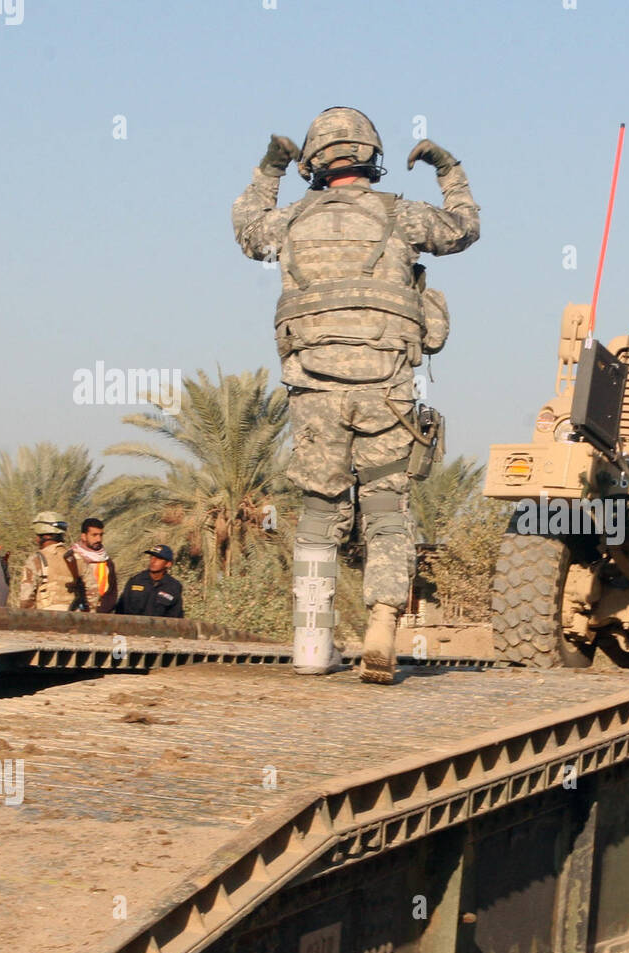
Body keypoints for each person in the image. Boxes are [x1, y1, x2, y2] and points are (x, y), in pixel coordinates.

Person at [232, 106, 480, 683]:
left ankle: (312, 648)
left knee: (319, 511)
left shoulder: (290, 220)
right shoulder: (402, 215)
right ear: (371, 156)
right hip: (386, 388)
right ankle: (382, 626)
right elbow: (464, 227)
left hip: (313, 388)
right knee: (387, 509)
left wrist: (268, 169)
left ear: (314, 164)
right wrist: (449, 168)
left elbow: (248, 232)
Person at [19, 511, 86, 611]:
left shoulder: (36, 560)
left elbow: (26, 598)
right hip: (76, 618)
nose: (36, 539)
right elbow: (92, 591)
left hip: (46, 619)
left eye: (37, 535)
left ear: (44, 536)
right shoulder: (78, 558)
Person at [115, 545, 183, 618]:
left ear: (168, 564)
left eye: (158, 558)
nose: (153, 561)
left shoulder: (173, 587)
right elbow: (120, 609)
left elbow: (175, 615)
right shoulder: (135, 581)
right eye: (152, 557)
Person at [72, 517, 118, 614]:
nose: (99, 539)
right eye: (94, 535)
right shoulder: (72, 559)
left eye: (101, 535)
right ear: (84, 536)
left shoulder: (107, 562)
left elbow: (111, 593)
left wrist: (100, 613)